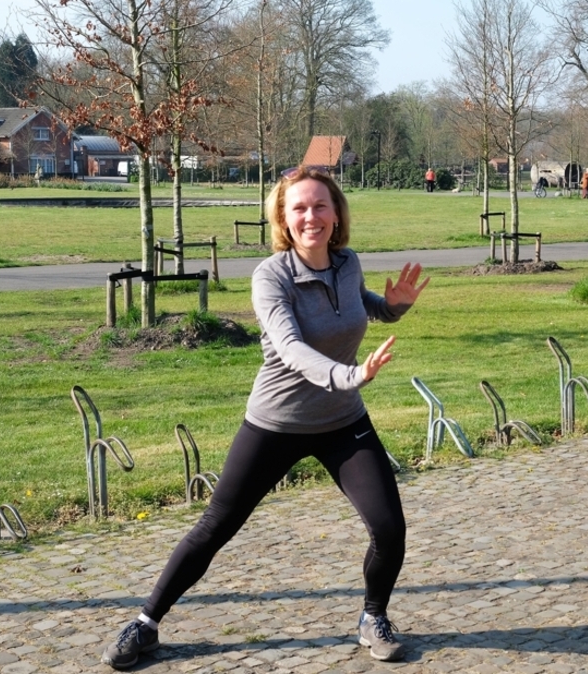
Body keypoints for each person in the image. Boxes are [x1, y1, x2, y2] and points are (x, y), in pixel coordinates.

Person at [100, 166, 430, 670]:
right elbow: (292, 348)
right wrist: (351, 375)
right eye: (299, 208)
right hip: (277, 423)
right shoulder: (270, 277)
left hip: (342, 421)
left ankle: (373, 616)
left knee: (389, 528)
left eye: (320, 206)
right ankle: (145, 624)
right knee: (215, 526)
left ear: (336, 214)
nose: (310, 217)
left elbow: (358, 306)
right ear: (283, 217)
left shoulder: (347, 263)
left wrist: (393, 307)